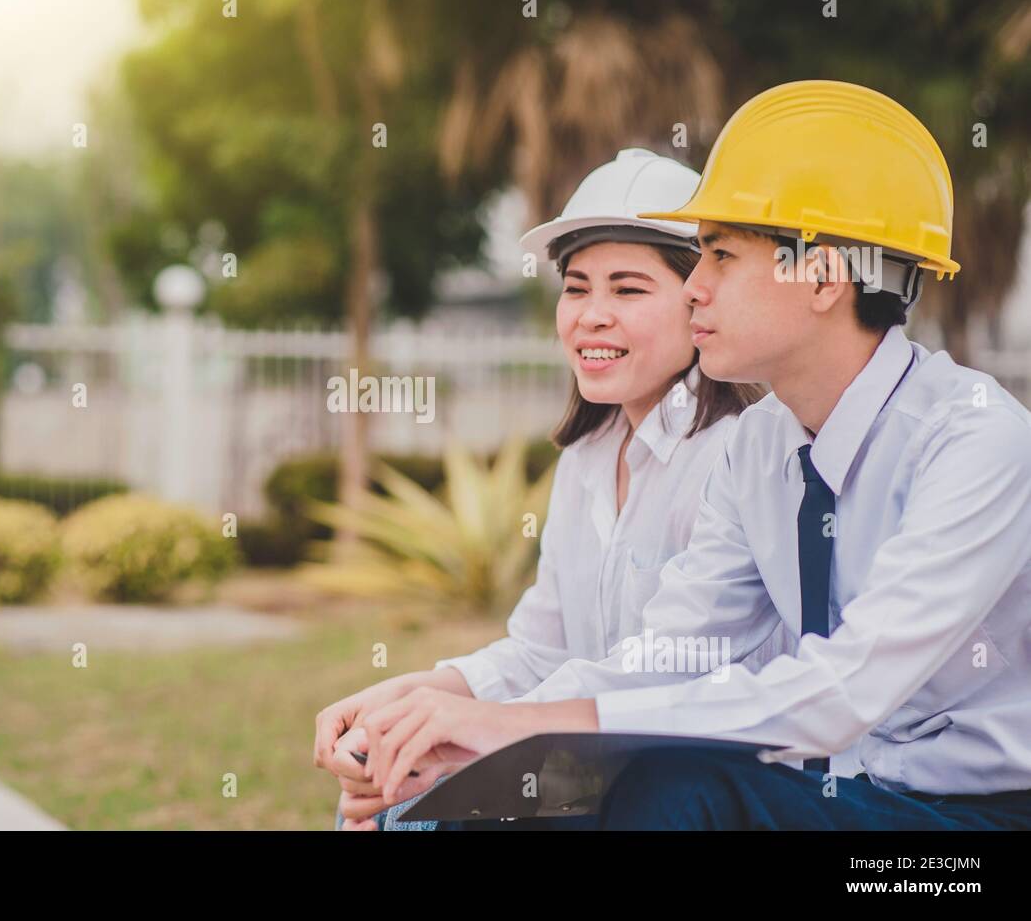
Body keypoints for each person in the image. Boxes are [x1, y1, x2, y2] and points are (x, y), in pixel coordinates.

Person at [357, 80, 1031, 830]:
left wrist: (520, 728)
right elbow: (666, 655)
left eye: (718, 256)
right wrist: (473, 735)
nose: (696, 289)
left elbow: (842, 691)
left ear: (822, 275)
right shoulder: (758, 446)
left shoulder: (975, 440)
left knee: (674, 791)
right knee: (489, 804)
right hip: (846, 799)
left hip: (971, 828)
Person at [313, 149, 775, 830]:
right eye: (577, 286)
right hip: (599, 767)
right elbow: (540, 650)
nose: (590, 315)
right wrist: (406, 695)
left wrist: (472, 736)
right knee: (390, 809)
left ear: (699, 301)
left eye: (627, 288)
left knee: (426, 811)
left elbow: (662, 670)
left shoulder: (738, 455)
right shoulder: (588, 457)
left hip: (699, 790)